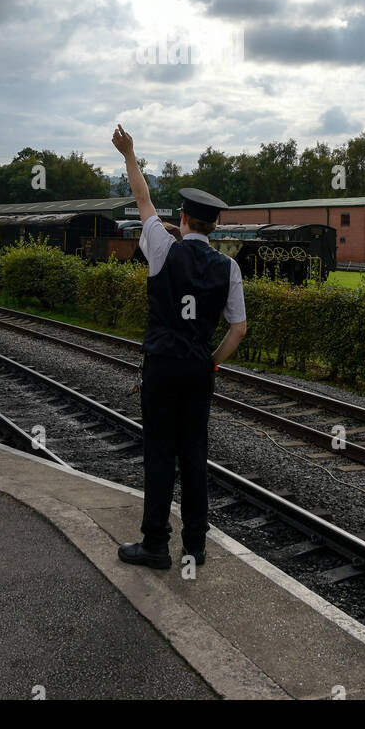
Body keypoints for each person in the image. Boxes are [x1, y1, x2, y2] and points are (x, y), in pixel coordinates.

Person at [111, 124, 247, 570]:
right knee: (194, 455)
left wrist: (130, 154)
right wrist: (210, 362)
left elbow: (142, 198)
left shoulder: (162, 248)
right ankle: (196, 546)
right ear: (215, 225)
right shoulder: (228, 267)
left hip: (162, 368)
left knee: (158, 455)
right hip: (194, 371)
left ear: (184, 220)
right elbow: (238, 329)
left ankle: (155, 545)